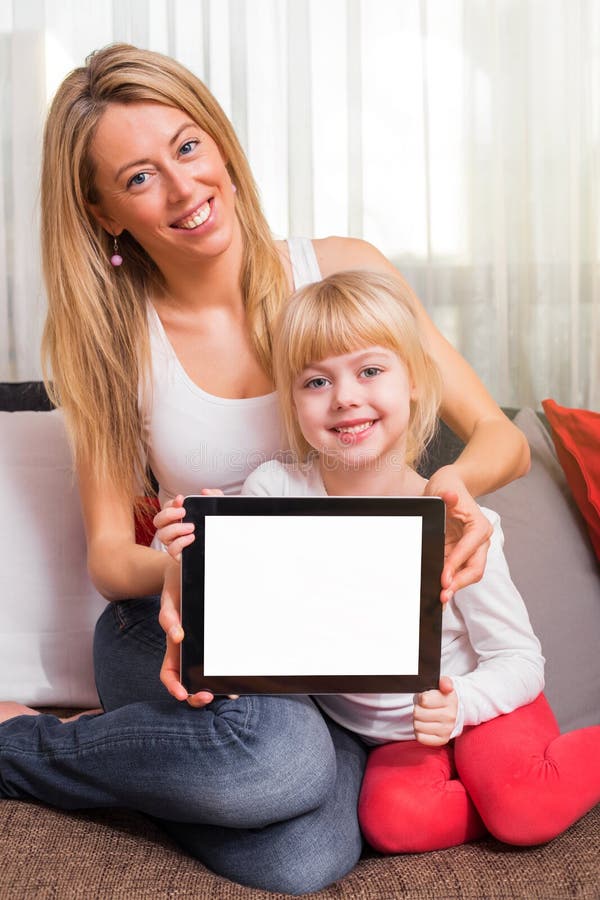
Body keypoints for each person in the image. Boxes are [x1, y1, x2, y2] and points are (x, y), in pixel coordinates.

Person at [0, 42, 530, 893]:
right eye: (139, 178)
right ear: (104, 212)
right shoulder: (113, 340)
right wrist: (193, 564)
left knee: (302, 858)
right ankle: (25, 743)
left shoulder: (344, 271)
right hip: (182, 625)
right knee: (280, 763)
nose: (184, 189)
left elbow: (504, 440)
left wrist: (450, 489)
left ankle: (164, 762)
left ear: (218, 140)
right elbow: (108, 556)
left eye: (187, 147)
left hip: (339, 654)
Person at [158, 269, 600, 852]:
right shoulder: (274, 492)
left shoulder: (459, 524)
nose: (344, 397)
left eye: (369, 371)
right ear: (292, 400)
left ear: (414, 381)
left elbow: (519, 659)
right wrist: (190, 547)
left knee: (522, 811)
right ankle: (487, 798)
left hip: (485, 705)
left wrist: (462, 704)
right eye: (317, 381)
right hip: (396, 738)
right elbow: (247, 620)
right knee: (392, 824)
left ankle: (516, 791)